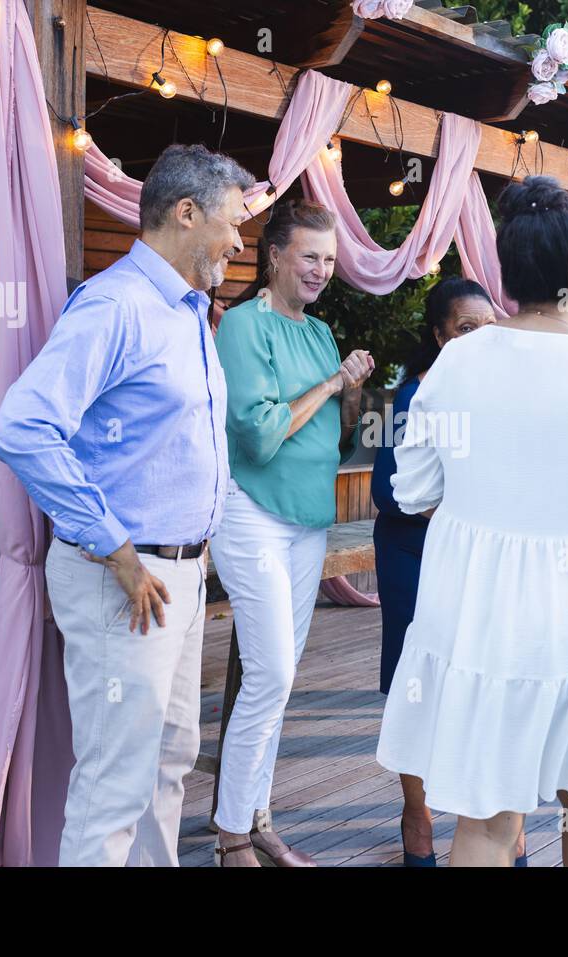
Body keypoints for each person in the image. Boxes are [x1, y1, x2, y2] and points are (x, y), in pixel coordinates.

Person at [376, 175, 568, 867]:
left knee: (483, 819)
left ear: (506, 275)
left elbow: (415, 490)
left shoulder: (454, 364)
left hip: (474, 616)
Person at [0, 144, 253, 866]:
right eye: (232, 222)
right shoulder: (115, 305)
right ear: (186, 212)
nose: (239, 240)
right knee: (114, 784)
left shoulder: (192, 312)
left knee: (169, 762)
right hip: (124, 582)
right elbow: (22, 426)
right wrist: (118, 547)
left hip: (180, 580)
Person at [209, 199, 375, 867]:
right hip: (252, 509)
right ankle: (230, 837)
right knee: (271, 670)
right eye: (310, 256)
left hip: (309, 520)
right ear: (274, 254)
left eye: (330, 260)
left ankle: (259, 815)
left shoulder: (321, 332)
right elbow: (261, 433)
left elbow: (335, 428)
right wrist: (336, 380)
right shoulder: (244, 326)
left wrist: (353, 386)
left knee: (277, 677)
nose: (321, 270)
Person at [369, 277, 501, 867]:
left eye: (488, 327)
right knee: (415, 688)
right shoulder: (415, 394)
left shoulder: (506, 392)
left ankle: (500, 825)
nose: (477, 339)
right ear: (439, 334)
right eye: (465, 328)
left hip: (483, 560)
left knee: (486, 685)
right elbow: (387, 491)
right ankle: (416, 817)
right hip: (415, 554)